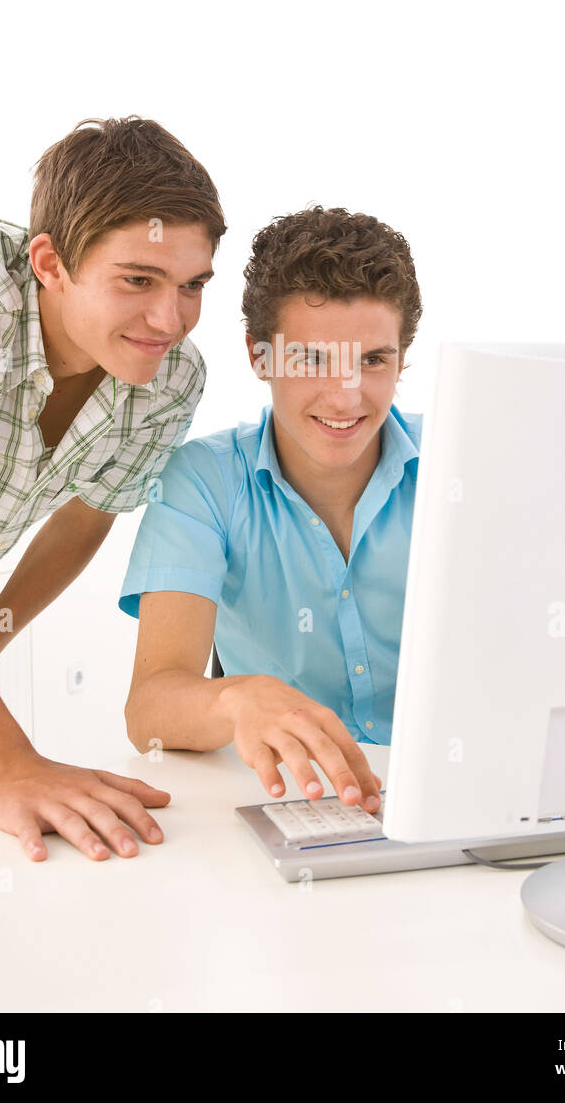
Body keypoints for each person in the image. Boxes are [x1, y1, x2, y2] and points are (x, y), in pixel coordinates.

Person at [0, 115, 225, 862]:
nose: (170, 320)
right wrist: (4, 760)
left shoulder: (171, 380)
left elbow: (83, 519)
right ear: (50, 262)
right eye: (138, 279)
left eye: (192, 285)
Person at [119, 206, 422, 812]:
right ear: (261, 358)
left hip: (447, 790)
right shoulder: (204, 482)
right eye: (313, 359)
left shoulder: (460, 464)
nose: (347, 394)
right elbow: (151, 710)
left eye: (373, 360)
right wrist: (239, 698)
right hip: (293, 801)